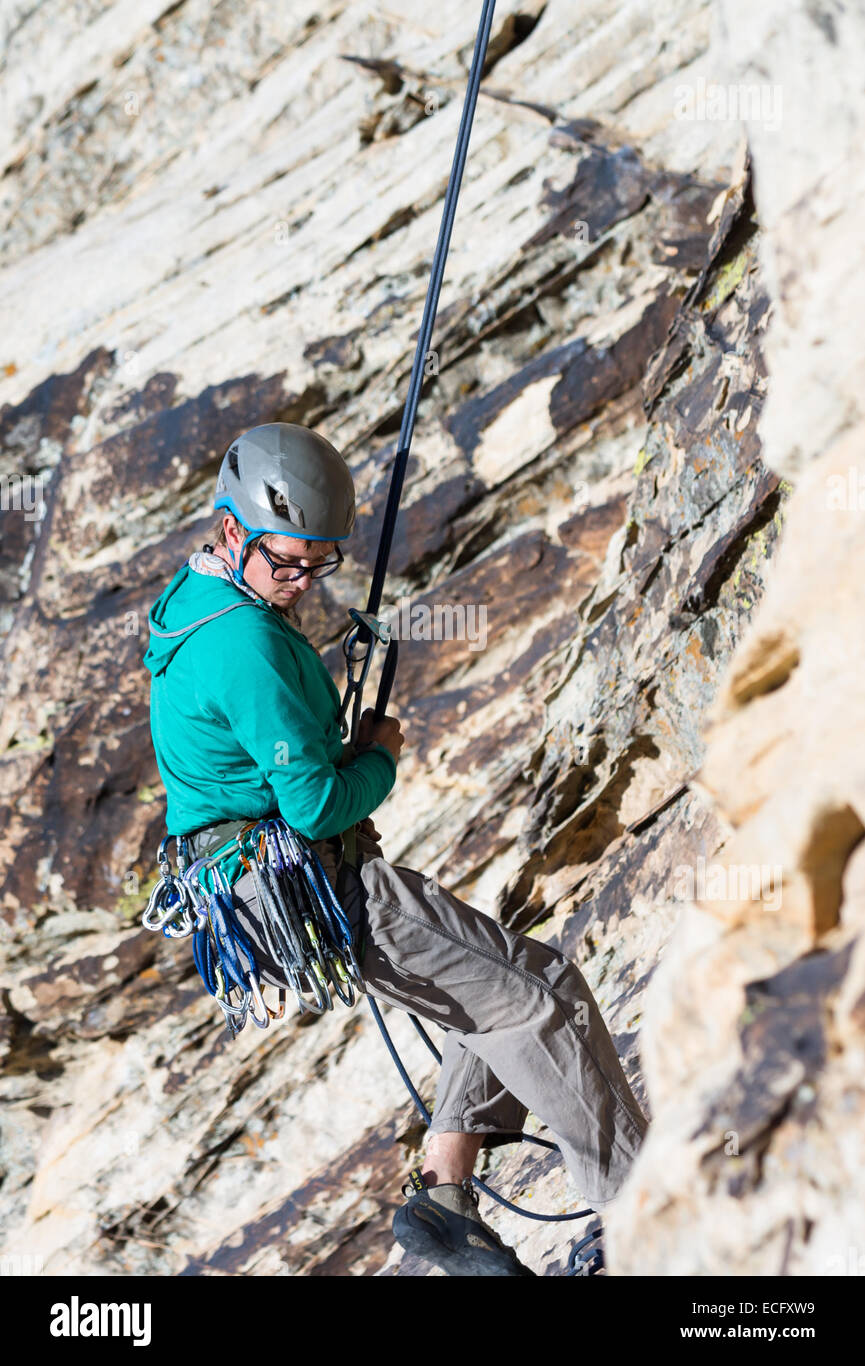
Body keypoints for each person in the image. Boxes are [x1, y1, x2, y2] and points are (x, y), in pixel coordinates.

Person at [144, 422, 649, 1277]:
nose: (302, 582)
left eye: (319, 562)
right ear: (231, 530)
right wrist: (381, 755)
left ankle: (447, 1201)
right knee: (537, 1004)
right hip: (312, 883)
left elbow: (262, 748)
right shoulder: (246, 644)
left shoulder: (198, 602)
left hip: (266, 884)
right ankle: (648, 1211)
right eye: (287, 562)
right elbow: (312, 804)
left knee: (505, 986)